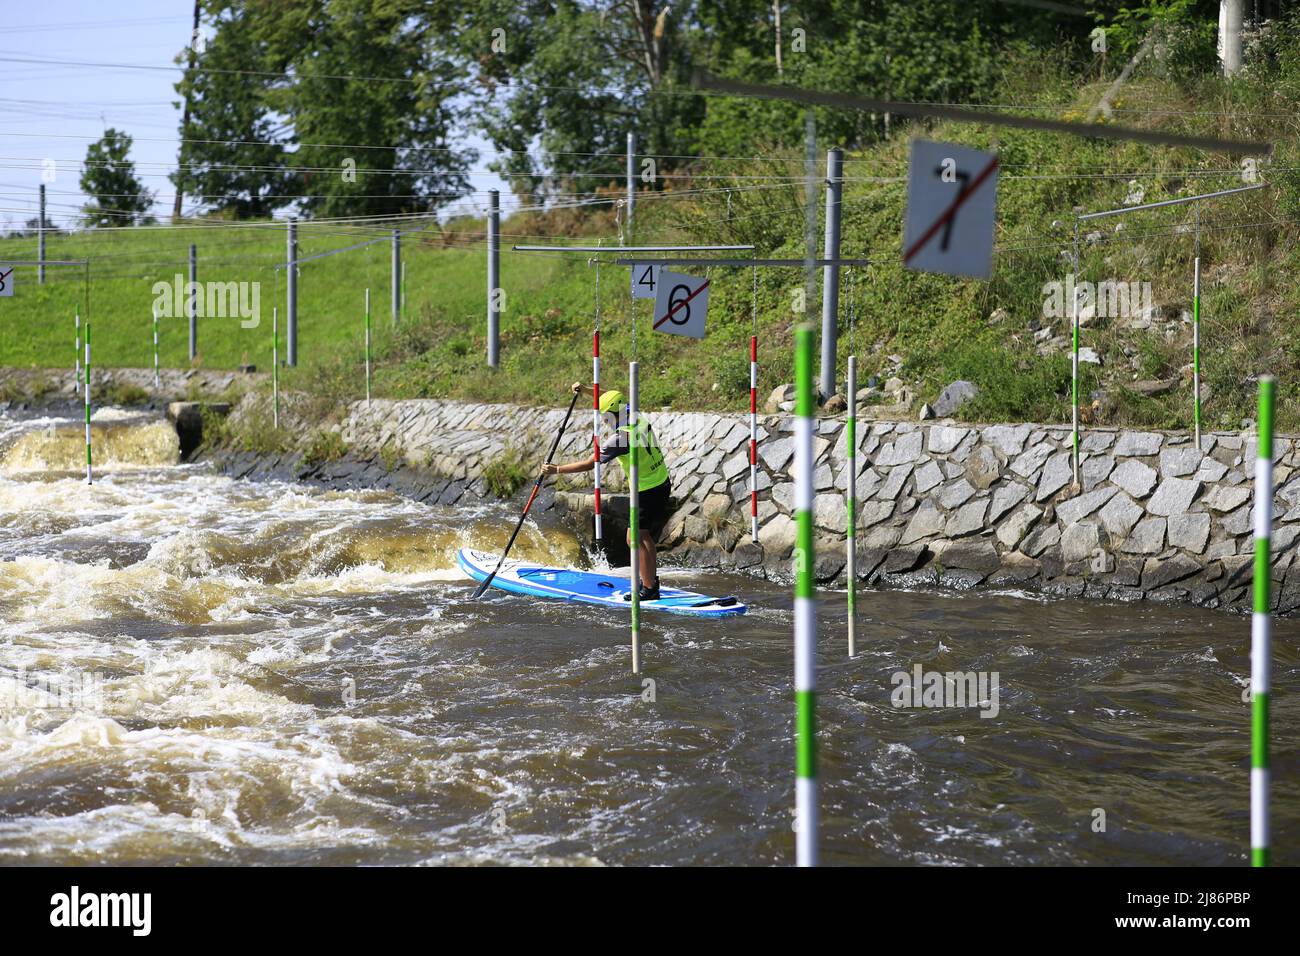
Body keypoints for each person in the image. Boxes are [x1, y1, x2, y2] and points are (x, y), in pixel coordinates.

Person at [541, 381, 671, 600]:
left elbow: (590, 464)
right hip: (662, 482)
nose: (602, 419)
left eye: (604, 415)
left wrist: (556, 469)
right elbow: (608, 397)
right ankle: (651, 582)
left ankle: (648, 589)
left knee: (635, 539)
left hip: (646, 491)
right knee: (643, 536)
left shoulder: (620, 439)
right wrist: (585, 391)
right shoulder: (635, 415)